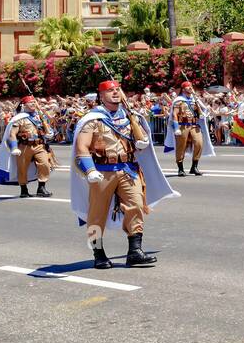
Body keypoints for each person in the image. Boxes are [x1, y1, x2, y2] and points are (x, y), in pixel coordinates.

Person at [70, 81, 177, 269]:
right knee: (97, 214)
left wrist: (142, 140)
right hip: (103, 171)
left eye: (117, 90)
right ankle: (98, 253)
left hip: (128, 168)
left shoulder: (131, 116)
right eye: (109, 91)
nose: (114, 93)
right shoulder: (92, 119)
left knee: (136, 206)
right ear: (101, 95)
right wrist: (90, 169)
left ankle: (135, 251)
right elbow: (82, 146)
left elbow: (142, 138)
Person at [0, 96, 55, 197]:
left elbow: (47, 129)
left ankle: (41, 187)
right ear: (24, 105)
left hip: (39, 145)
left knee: (45, 164)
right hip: (24, 146)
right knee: (22, 168)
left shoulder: (39, 116)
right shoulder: (19, 118)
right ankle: (23, 189)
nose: (33, 104)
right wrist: (14, 147)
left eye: (34, 102)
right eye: (30, 103)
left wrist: (49, 133)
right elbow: (12, 134)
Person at [164, 81, 213, 176]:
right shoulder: (179, 100)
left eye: (191, 86)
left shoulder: (194, 99)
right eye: (188, 86)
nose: (190, 88)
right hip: (182, 125)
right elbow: (174, 114)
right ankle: (180, 168)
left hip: (194, 125)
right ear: (183, 89)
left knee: (199, 143)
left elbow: (199, 111)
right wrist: (176, 127)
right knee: (181, 146)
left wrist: (201, 114)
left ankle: (194, 166)